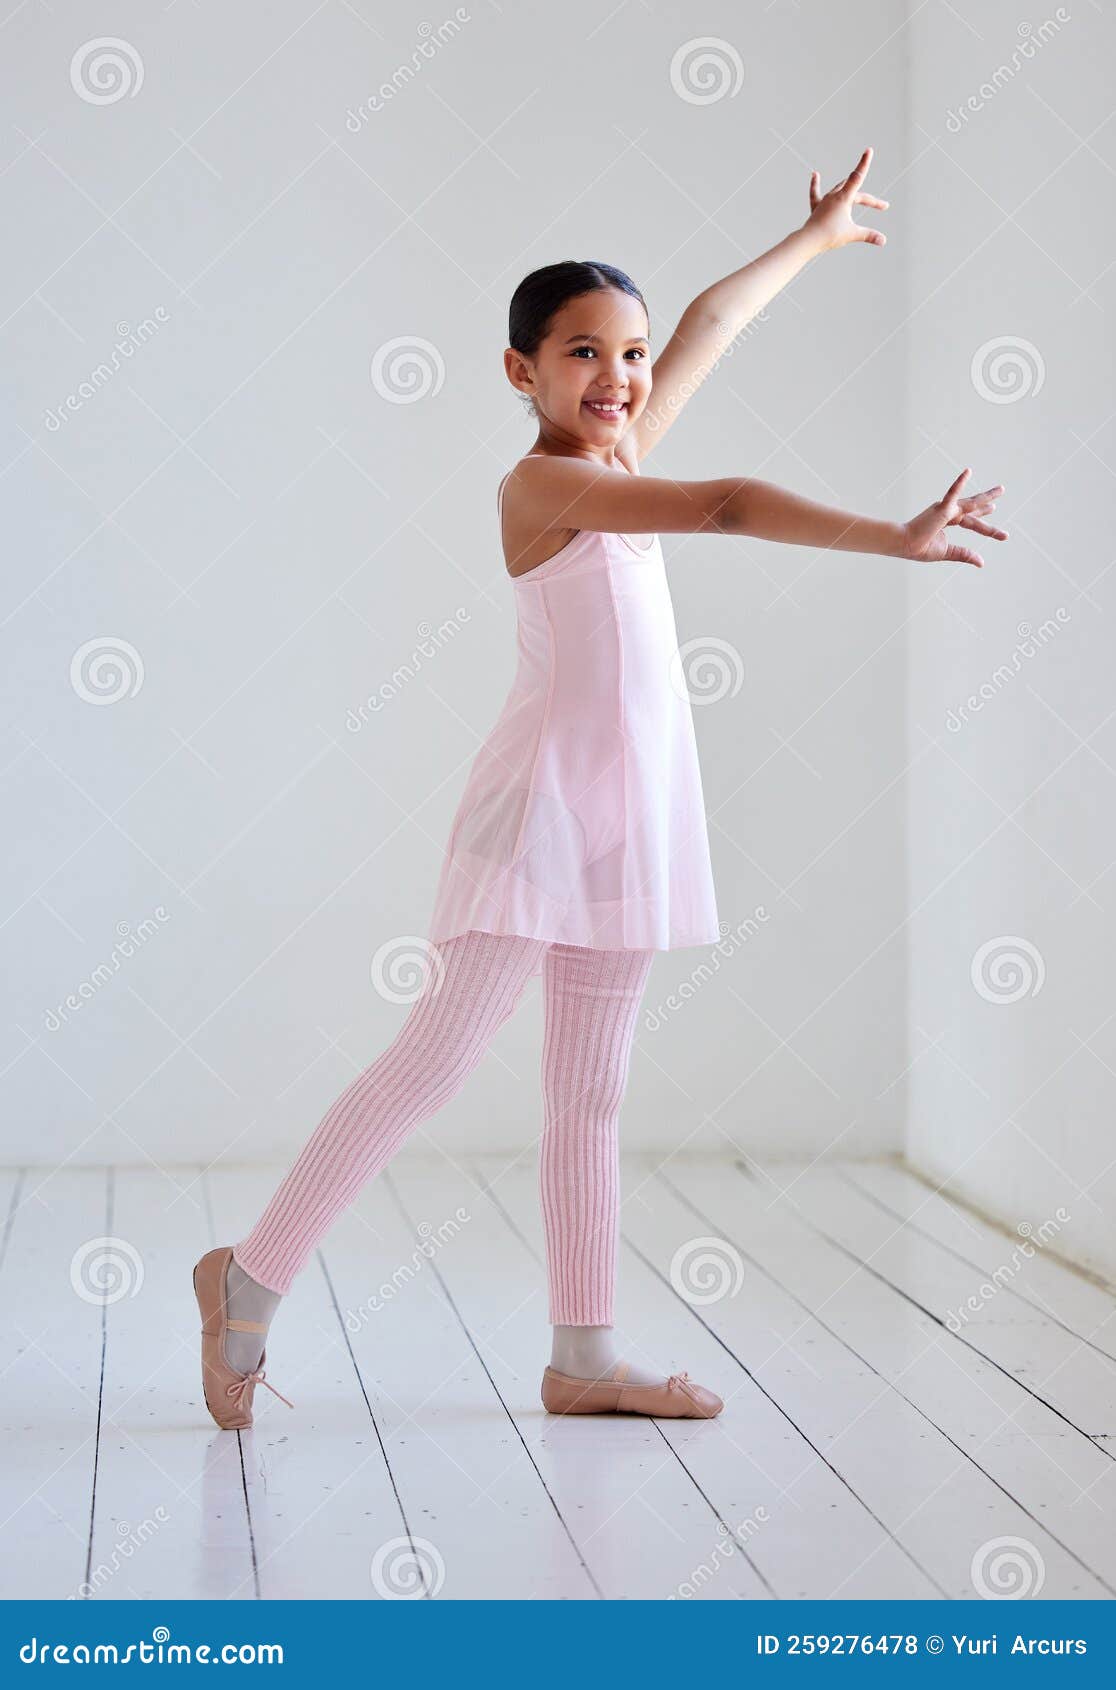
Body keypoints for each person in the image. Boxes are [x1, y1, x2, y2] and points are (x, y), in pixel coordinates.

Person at [194, 147, 1007, 1430]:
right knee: (435, 1063)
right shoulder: (546, 484)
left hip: (633, 825)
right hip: (541, 817)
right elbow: (733, 503)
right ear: (523, 372)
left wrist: (813, 238)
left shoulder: (621, 449)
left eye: (626, 355)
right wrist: (893, 537)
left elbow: (709, 322)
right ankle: (245, 1276)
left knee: (592, 1090)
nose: (618, 376)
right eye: (582, 353)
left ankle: (582, 1356)